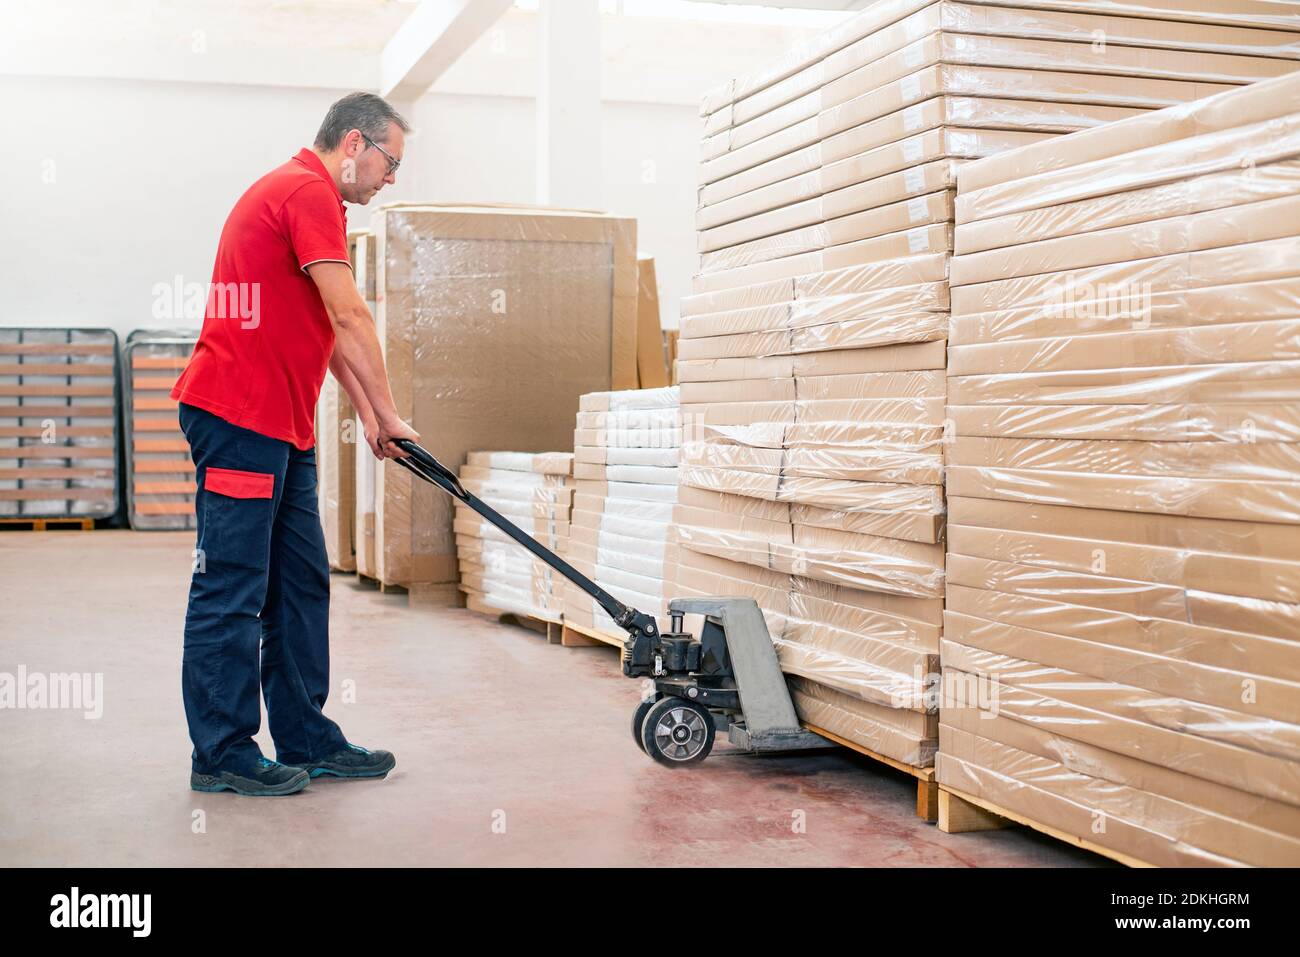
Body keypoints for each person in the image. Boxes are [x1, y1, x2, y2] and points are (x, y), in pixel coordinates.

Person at [170, 92, 419, 796]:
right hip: (240, 416)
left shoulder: (313, 200)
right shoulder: (306, 191)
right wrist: (395, 411)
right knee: (233, 586)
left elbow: (324, 326)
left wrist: (373, 414)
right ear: (353, 144)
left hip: (282, 422)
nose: (390, 178)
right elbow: (349, 312)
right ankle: (220, 749)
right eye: (388, 161)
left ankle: (306, 735)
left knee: (301, 583)